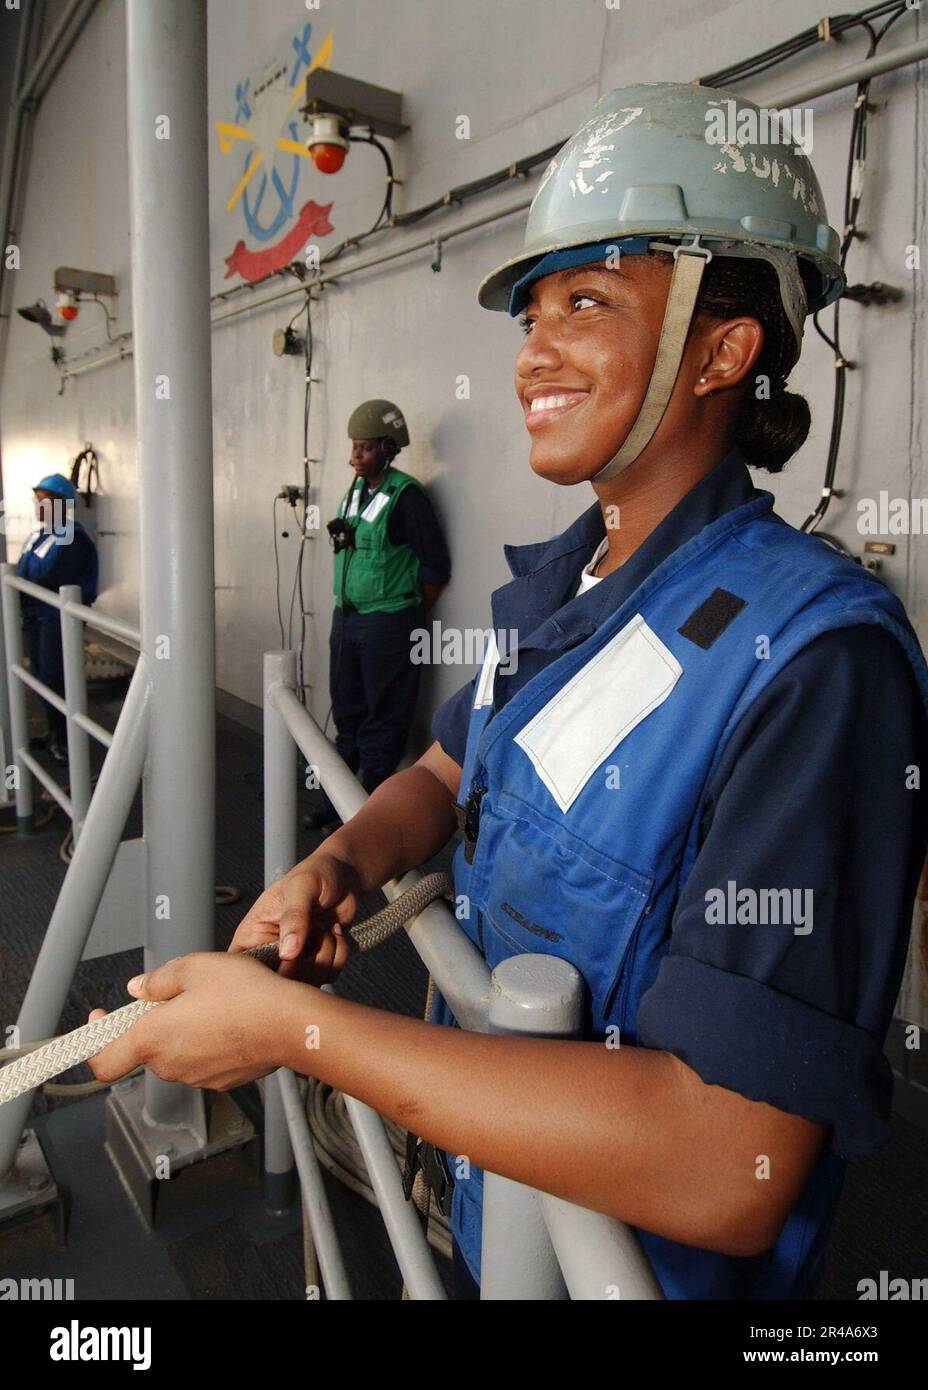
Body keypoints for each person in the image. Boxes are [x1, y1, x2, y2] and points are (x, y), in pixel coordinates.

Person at [90, 83, 928, 1301]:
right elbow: (445, 771)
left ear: (723, 348)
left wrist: (294, 1034)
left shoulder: (818, 667)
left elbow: (725, 1165)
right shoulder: (568, 588)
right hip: (503, 1211)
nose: (534, 351)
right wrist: (344, 865)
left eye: (587, 300)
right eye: (533, 311)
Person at [326, 399, 450, 794]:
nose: (354, 458)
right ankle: (339, 795)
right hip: (347, 618)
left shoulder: (407, 497)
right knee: (347, 707)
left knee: (385, 713)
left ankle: (368, 804)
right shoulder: (355, 493)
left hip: (388, 622)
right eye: (353, 448)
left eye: (364, 448)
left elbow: (435, 567)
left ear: (388, 449)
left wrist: (403, 616)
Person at [17, 472, 98, 763]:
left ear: (63, 506)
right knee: (42, 676)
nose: (38, 508)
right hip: (37, 616)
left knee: (56, 677)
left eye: (45, 502)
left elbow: (53, 577)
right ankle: (54, 731)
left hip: (56, 618)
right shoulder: (40, 536)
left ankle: (65, 739)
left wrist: (20, 589)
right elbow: (26, 571)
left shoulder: (70, 538)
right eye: (37, 501)